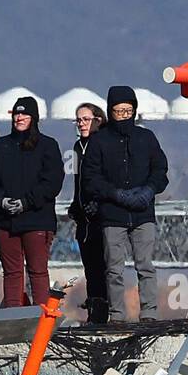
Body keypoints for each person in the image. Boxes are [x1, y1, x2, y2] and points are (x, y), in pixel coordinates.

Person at [83, 86, 169, 322]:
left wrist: (149, 190)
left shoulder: (146, 138)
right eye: (118, 111)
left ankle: (150, 313)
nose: (123, 116)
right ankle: (117, 314)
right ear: (111, 112)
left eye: (127, 111)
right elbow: (92, 178)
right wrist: (116, 194)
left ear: (134, 111)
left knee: (146, 265)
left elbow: (160, 170)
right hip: (112, 214)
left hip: (143, 213)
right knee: (113, 268)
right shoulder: (99, 141)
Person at [0, 96, 64, 306]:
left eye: (24, 113)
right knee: (12, 273)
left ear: (34, 117)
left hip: (37, 219)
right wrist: (1, 200)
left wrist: (27, 202)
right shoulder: (0, 146)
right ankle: (14, 320)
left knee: (37, 272)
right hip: (6, 222)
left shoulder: (48, 146)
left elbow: (53, 182)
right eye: (16, 113)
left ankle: (41, 320)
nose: (19, 118)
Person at [69, 103, 109, 324]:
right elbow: (78, 179)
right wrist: (76, 205)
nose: (82, 124)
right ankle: (94, 311)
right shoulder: (77, 147)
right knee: (91, 267)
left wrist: (98, 202)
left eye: (86, 119)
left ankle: (105, 312)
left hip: (102, 216)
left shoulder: (104, 143)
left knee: (105, 267)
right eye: (78, 120)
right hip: (84, 218)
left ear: (98, 120)